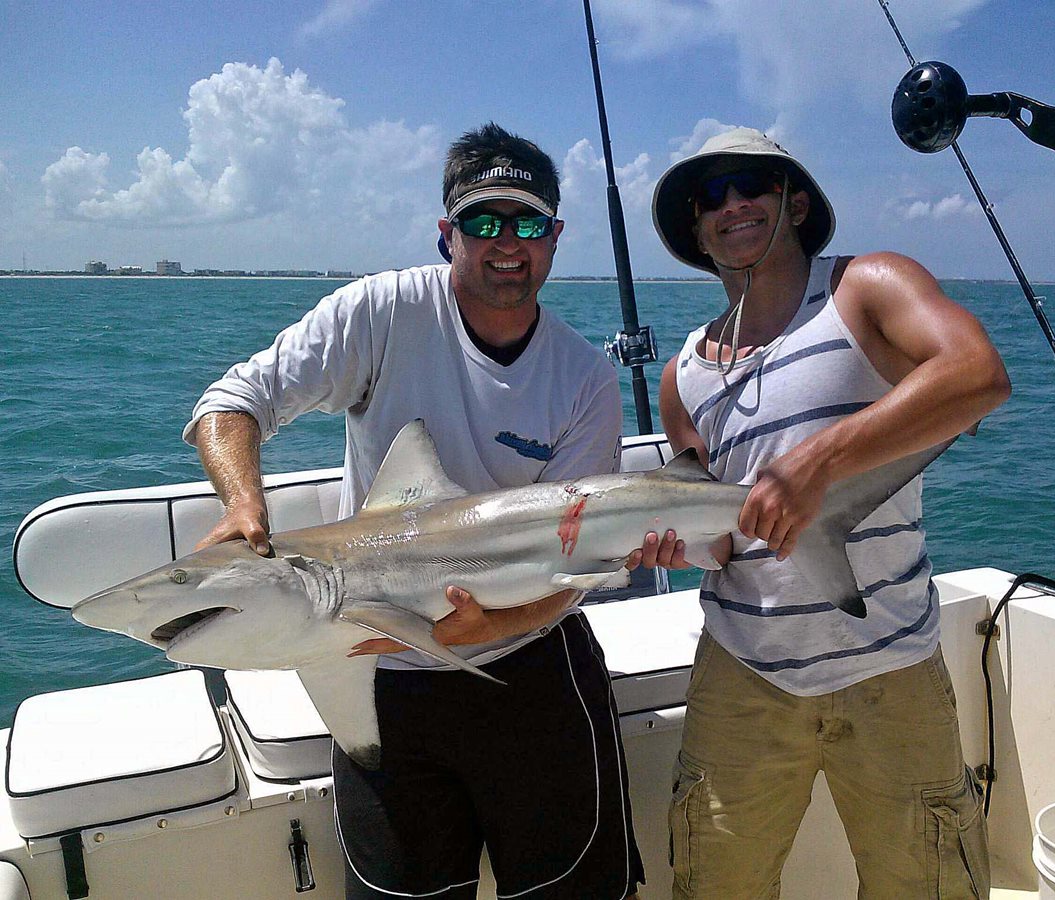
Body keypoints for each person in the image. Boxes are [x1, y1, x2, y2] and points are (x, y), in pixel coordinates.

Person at [184, 122, 645, 900]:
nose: (507, 241)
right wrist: (241, 504)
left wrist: (493, 628)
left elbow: (578, 567)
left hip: (531, 668)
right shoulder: (383, 312)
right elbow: (233, 400)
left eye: (528, 222)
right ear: (446, 233)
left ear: (556, 237)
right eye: (483, 221)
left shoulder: (586, 378)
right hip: (380, 674)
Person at [643, 127, 1011, 898]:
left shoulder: (865, 288)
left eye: (752, 184)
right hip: (741, 674)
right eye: (710, 196)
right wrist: (669, 544)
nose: (732, 204)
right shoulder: (683, 375)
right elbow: (721, 544)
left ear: (796, 203)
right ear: (695, 229)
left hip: (892, 667)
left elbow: (977, 374)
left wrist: (818, 462)